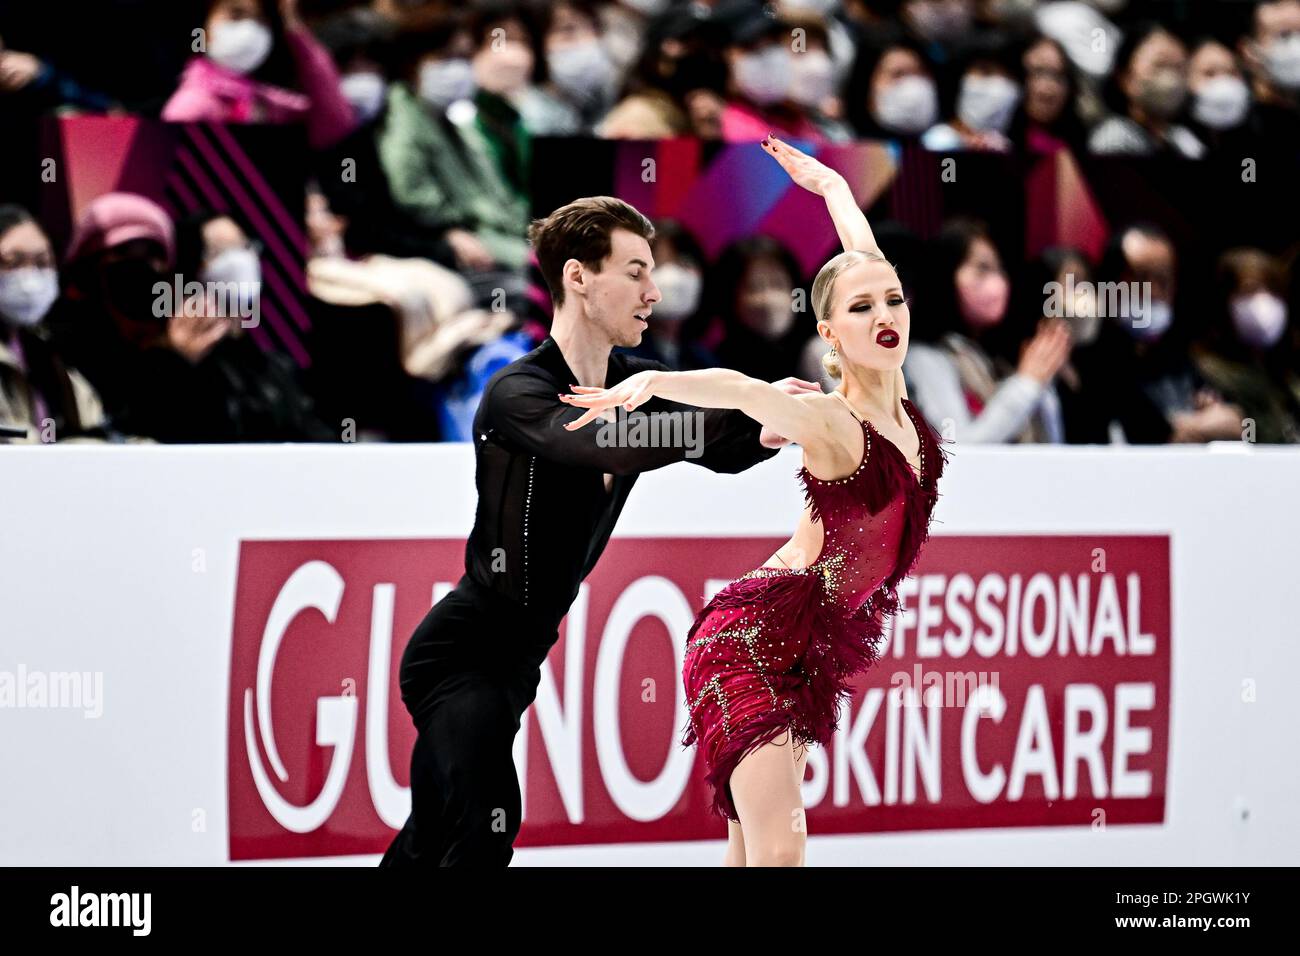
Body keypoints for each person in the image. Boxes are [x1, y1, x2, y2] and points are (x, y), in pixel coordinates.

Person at [379, 195, 811, 867]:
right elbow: (609, 439)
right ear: (578, 277)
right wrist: (744, 404)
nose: (654, 291)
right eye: (635, 271)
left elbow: (721, 445)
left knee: (434, 834)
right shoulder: (517, 393)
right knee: (485, 824)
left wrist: (771, 416)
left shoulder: (638, 381)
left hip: (516, 661)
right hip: (461, 656)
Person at [560, 136, 951, 866]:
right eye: (860, 309)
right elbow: (747, 392)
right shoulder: (835, 423)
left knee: (751, 857)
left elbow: (863, 265)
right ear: (830, 334)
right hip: (751, 644)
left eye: (893, 300)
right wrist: (653, 384)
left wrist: (837, 190)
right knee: (780, 855)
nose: (882, 313)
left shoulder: (905, 417)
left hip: (810, 655)